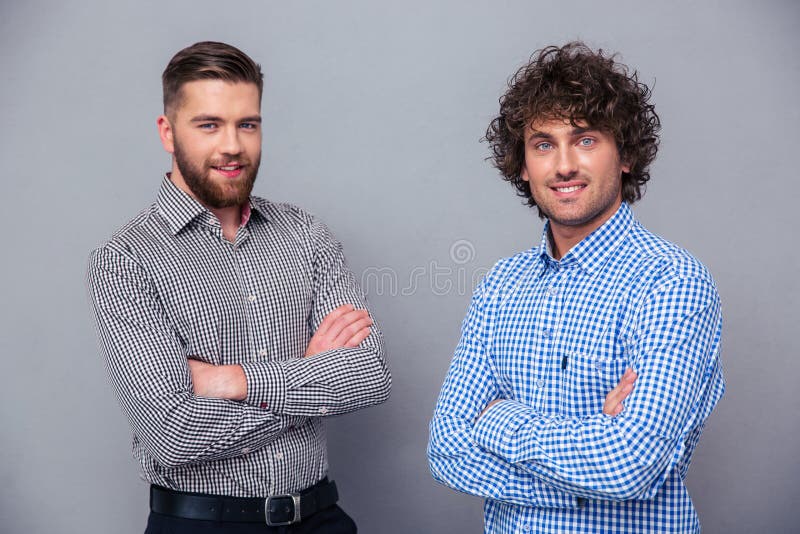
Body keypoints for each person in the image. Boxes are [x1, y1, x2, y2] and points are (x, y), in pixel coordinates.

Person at [87, 41, 391, 533]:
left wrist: (234, 381)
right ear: (168, 132)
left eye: (247, 124)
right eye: (209, 125)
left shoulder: (305, 234)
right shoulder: (125, 261)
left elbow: (370, 374)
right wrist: (309, 377)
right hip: (202, 524)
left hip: (321, 518)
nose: (232, 145)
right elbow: (171, 432)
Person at [427, 41, 724, 533]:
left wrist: (499, 421)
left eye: (585, 140)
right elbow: (447, 450)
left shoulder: (671, 282)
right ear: (523, 166)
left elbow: (630, 463)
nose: (563, 165)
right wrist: (591, 466)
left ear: (625, 154)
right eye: (543, 144)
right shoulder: (500, 287)